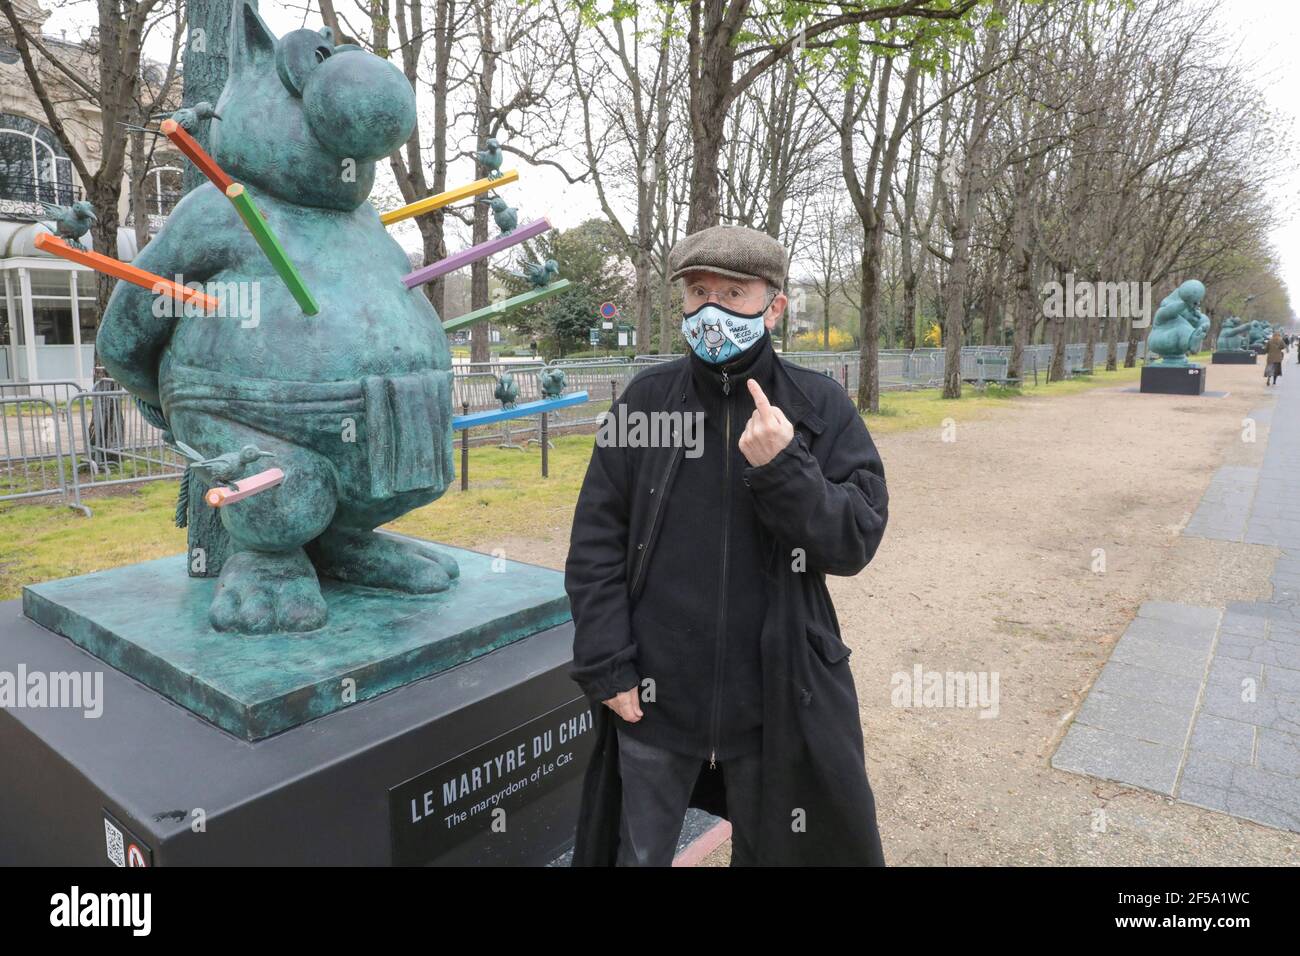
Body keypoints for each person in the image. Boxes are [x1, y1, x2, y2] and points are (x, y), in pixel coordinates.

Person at [564, 223, 890, 866]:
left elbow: (854, 540)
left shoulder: (816, 405)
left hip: (774, 701)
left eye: (733, 292)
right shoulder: (647, 402)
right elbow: (595, 541)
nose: (711, 309)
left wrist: (785, 470)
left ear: (774, 306)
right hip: (653, 701)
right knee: (634, 854)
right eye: (697, 291)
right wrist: (607, 663)